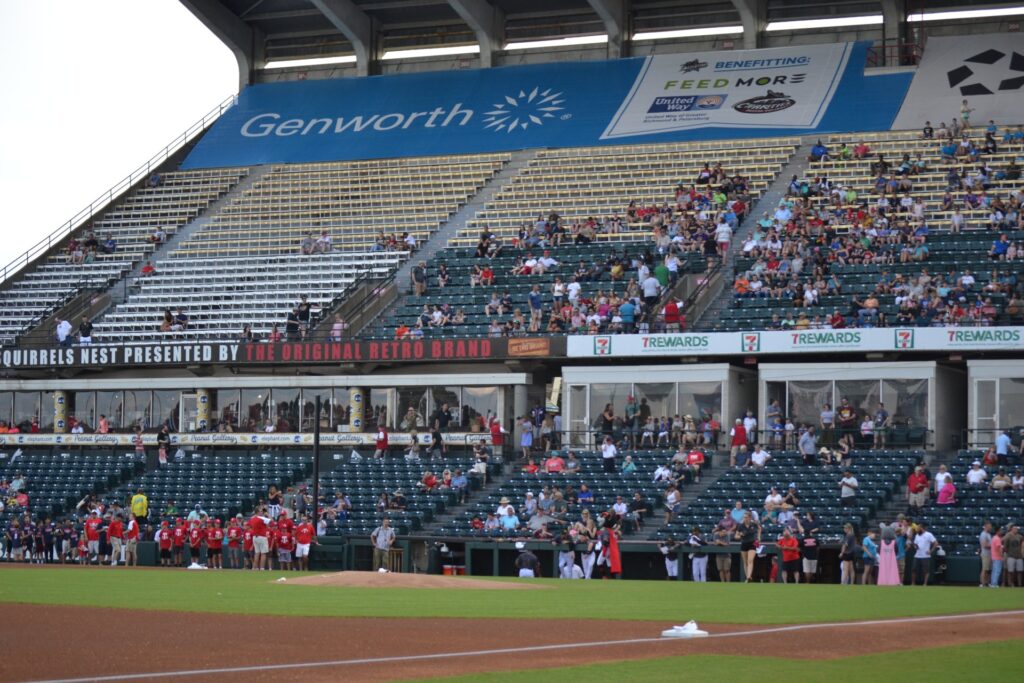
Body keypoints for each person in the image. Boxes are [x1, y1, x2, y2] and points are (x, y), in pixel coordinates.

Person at [912, 522, 940, 586]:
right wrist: (915, 546)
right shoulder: (917, 535)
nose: (917, 529)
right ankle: (913, 583)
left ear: (922, 528)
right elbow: (915, 544)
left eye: (918, 528)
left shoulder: (929, 535)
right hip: (917, 555)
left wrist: (931, 551)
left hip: (925, 556)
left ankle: (925, 584)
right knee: (914, 569)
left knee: (926, 571)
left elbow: (936, 543)